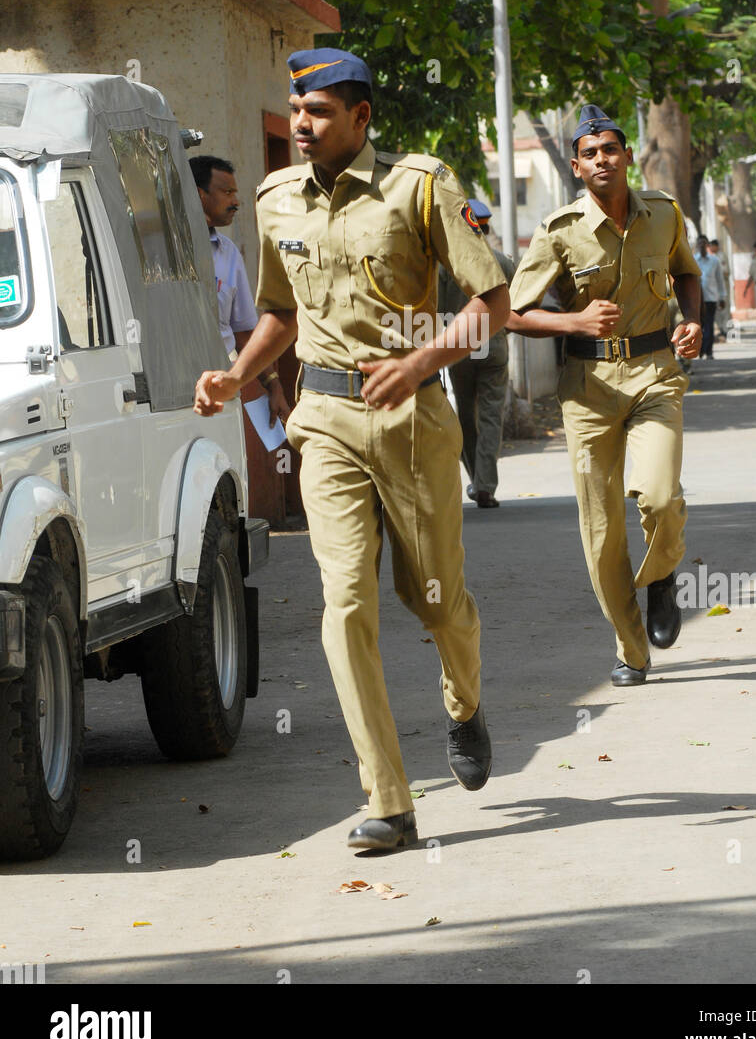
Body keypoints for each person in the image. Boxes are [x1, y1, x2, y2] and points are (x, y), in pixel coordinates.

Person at [193, 50, 510, 853]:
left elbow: (494, 303)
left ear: (361, 119)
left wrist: (419, 362)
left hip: (412, 422)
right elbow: (279, 312)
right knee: (345, 607)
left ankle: (465, 703)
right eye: (296, 110)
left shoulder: (420, 186)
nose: (301, 124)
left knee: (436, 600)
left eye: (320, 111)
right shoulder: (274, 201)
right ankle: (390, 800)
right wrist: (236, 376)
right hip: (325, 419)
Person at [507, 104, 702, 686]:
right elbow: (510, 314)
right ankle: (631, 648)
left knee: (661, 497)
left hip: (655, 375)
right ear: (575, 166)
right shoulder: (558, 231)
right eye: (589, 153)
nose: (602, 160)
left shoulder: (664, 214)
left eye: (610, 149)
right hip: (587, 391)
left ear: (627, 156)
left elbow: (687, 274)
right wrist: (573, 323)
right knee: (601, 532)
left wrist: (691, 321)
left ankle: (662, 573)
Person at [190, 154, 290, 427]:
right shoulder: (159, 251)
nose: (236, 202)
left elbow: (243, 332)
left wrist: (273, 385)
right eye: (227, 192)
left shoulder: (228, 254)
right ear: (199, 195)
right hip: (172, 402)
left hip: (220, 397)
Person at [438, 199, 515, 508]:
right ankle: (484, 483)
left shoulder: (448, 266)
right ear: (485, 226)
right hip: (493, 346)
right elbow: (517, 307)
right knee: (491, 415)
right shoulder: (503, 261)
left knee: (466, 418)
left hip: (460, 350)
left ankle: (477, 480)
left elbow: (439, 311)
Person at [694, 235, 726, 359]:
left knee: (709, 325)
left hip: (710, 298)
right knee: (699, 326)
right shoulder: (692, 260)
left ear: (707, 245)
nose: (702, 245)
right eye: (699, 243)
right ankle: (701, 350)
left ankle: (709, 351)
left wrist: (722, 297)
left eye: (704, 243)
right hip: (696, 299)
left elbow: (720, 280)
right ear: (697, 245)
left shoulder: (714, 260)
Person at [709, 239, 730, 338]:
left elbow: (726, 271)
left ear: (716, 246)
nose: (711, 248)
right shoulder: (709, 257)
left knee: (724, 307)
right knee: (716, 307)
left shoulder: (722, 256)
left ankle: (726, 329)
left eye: (712, 246)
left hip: (723, 284)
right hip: (713, 286)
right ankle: (720, 328)